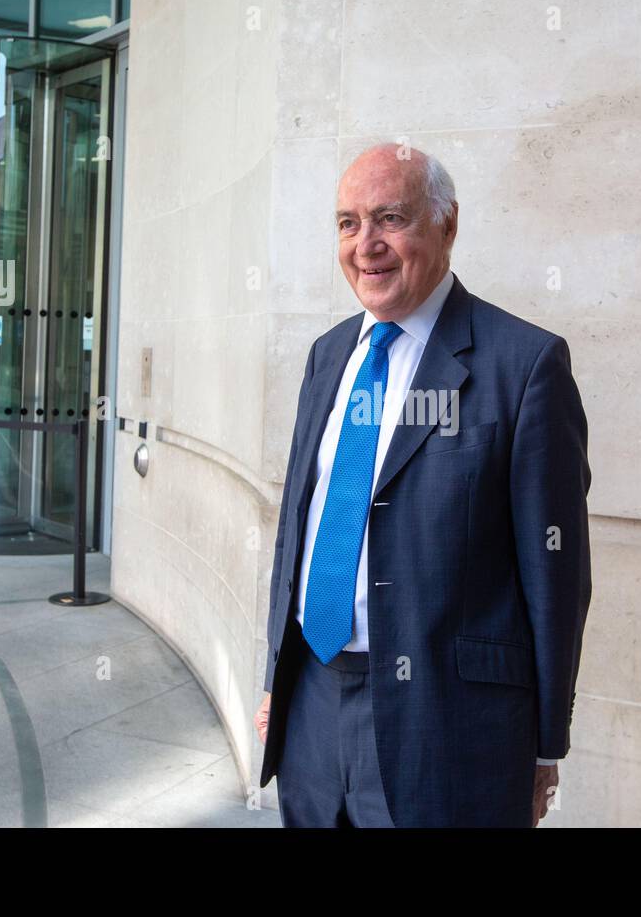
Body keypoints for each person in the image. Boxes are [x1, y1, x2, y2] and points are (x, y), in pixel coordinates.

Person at [253, 143, 591, 827]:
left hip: (449, 730)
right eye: (348, 223)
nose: (366, 245)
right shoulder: (328, 356)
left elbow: (556, 577)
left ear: (447, 225)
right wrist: (275, 678)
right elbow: (301, 527)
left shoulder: (524, 366)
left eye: (390, 219)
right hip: (313, 708)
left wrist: (542, 745)